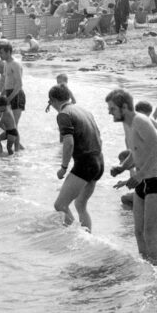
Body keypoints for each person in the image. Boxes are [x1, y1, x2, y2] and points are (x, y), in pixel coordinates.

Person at [107, 88, 157, 266]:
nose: (109, 112)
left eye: (112, 108)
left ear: (125, 106)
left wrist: (140, 175)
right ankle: (146, 271)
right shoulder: (127, 125)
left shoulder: (140, 121)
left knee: (150, 235)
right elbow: (137, 153)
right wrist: (122, 167)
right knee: (138, 232)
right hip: (143, 184)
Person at [47, 85, 103, 232]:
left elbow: (69, 142)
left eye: (50, 102)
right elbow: (98, 136)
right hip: (99, 161)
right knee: (80, 205)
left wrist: (63, 167)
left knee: (60, 205)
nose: (51, 106)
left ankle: (76, 238)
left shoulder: (64, 114)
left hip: (85, 163)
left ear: (53, 100)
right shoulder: (84, 110)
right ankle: (88, 240)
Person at [0, 43, 25, 149]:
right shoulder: (6, 64)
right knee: (6, 125)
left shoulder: (15, 64)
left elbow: (19, 84)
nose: (0, 55)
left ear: (8, 52)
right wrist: (1, 96)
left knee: (13, 125)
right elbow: (6, 83)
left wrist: (9, 99)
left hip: (17, 95)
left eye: (1, 53)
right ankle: (19, 147)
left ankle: (17, 150)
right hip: (9, 93)